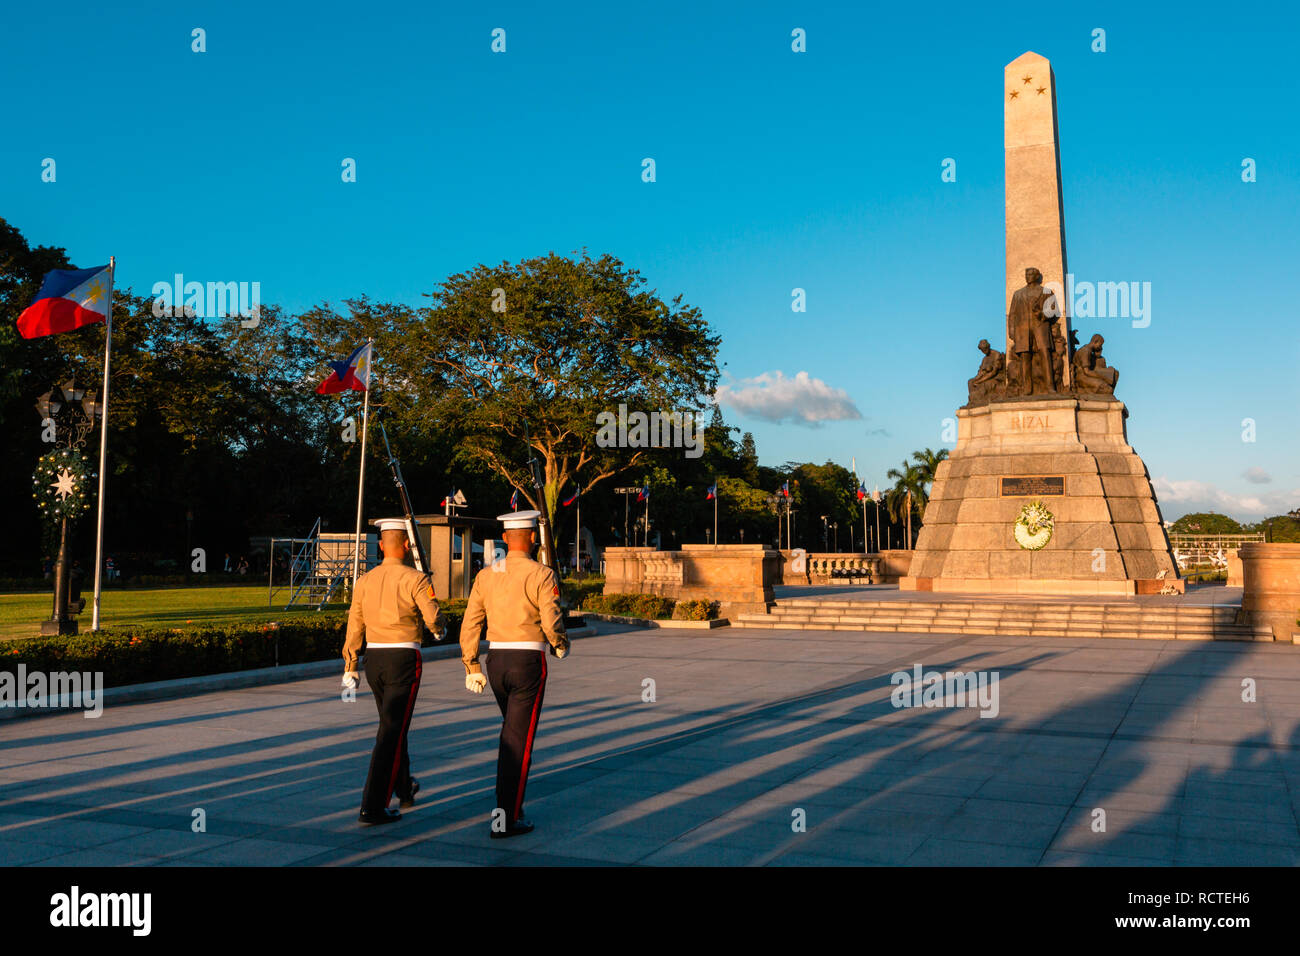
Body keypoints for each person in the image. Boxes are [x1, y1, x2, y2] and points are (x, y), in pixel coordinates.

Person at [460, 510, 570, 839]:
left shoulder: (487, 574)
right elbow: (551, 618)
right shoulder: (542, 573)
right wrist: (560, 643)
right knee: (516, 743)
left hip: (496, 662)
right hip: (527, 662)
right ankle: (506, 818)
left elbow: (471, 622)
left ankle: (509, 808)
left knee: (511, 733)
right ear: (533, 538)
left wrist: (471, 664)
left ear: (506, 539)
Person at [343, 519, 445, 826]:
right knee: (390, 732)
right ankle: (372, 806)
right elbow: (433, 618)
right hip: (403, 657)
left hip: (373, 660)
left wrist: (350, 665)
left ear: (380, 545)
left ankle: (403, 787)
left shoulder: (364, 581)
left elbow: (355, 624)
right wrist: (439, 629)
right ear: (405, 545)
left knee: (393, 725)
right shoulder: (415, 579)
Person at [1007, 266, 1058, 395]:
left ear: (1036, 276)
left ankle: (1050, 387)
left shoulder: (1046, 292)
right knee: (1025, 357)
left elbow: (1054, 310)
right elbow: (1012, 314)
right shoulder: (1018, 294)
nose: (1027, 276)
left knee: (1045, 355)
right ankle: (1027, 389)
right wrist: (1011, 330)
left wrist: (1042, 314)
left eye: (1030, 274)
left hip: (1040, 326)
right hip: (1023, 329)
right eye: (1026, 274)